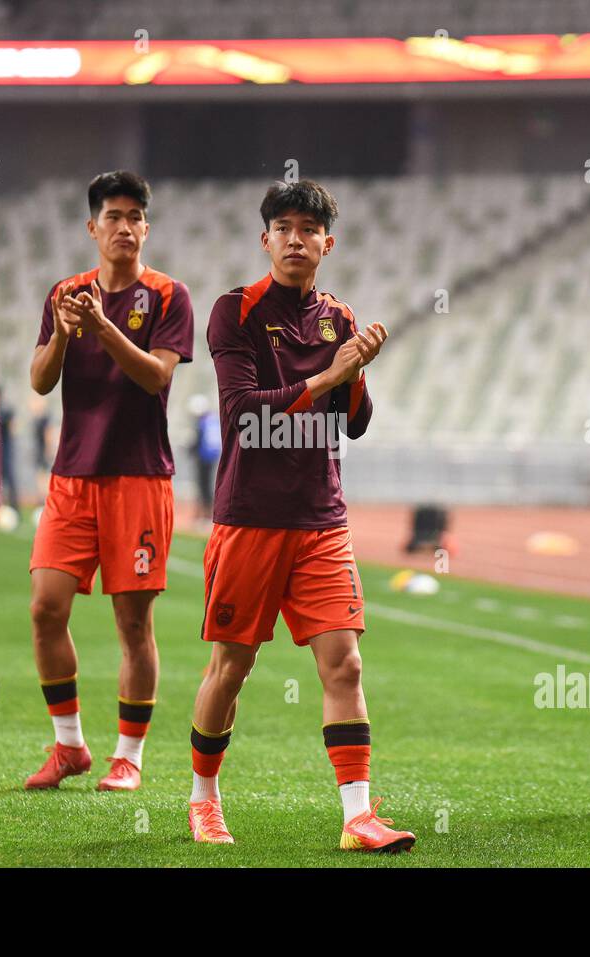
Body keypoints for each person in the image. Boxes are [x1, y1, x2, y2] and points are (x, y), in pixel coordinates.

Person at [185, 180, 414, 853]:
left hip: (321, 520)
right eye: (282, 226)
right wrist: (324, 377)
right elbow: (242, 417)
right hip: (250, 517)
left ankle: (358, 816)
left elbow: (356, 423)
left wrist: (357, 372)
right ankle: (203, 799)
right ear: (265, 240)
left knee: (344, 664)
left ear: (326, 243)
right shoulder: (235, 311)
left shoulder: (339, 317)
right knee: (231, 665)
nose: (295, 238)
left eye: (308, 228)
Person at [25, 171, 194, 793]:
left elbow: (156, 378)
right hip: (72, 475)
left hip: (140, 478)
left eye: (134, 217)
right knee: (45, 608)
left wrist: (101, 328)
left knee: (132, 624)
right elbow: (41, 381)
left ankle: (130, 755)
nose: (124, 227)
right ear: (91, 228)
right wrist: (68, 334)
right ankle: (69, 746)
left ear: (146, 228)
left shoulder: (169, 295)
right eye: (111, 217)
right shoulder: (65, 293)